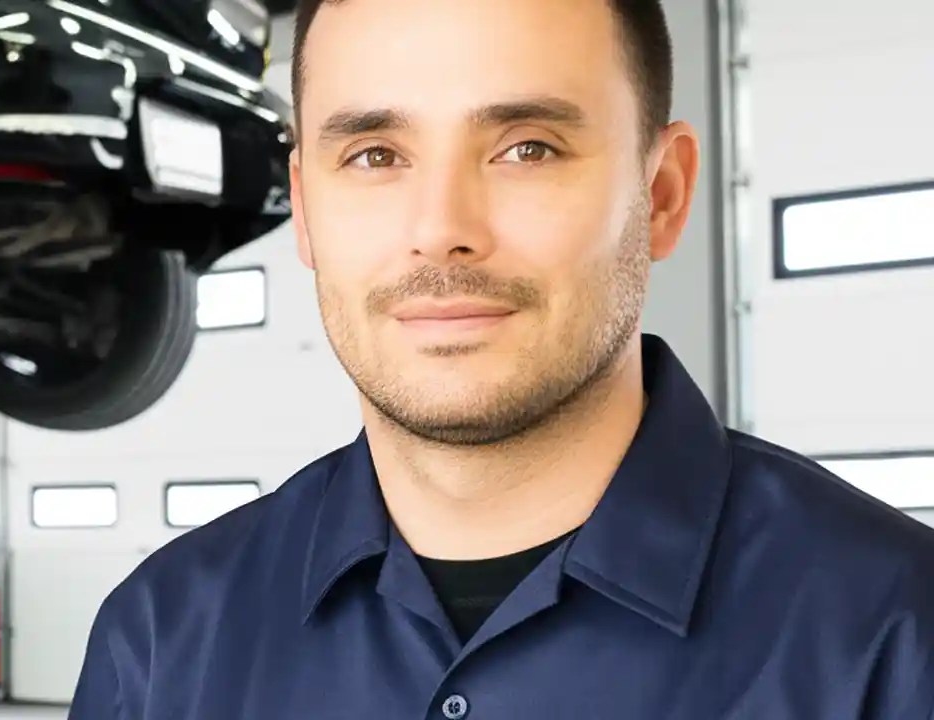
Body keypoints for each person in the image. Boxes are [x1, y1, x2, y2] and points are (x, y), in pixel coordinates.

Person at [69, 0, 934, 716]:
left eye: (527, 148)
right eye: (375, 155)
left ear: (661, 195)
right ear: (303, 211)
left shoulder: (895, 633)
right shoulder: (159, 642)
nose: (441, 226)